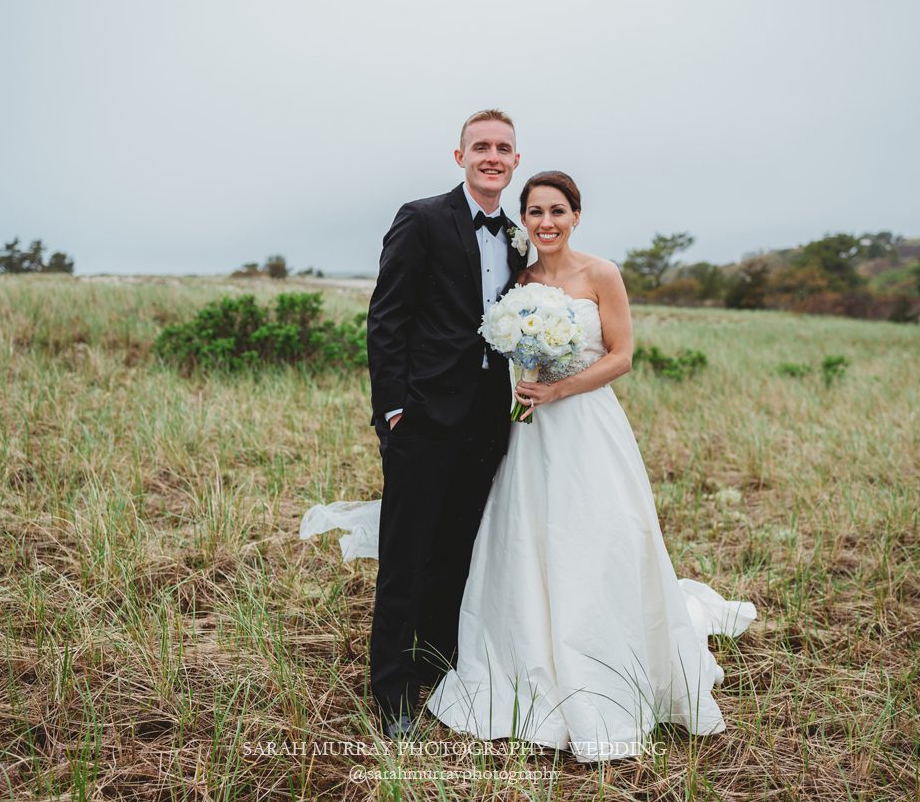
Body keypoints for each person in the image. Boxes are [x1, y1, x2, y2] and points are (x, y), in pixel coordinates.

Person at [301, 169, 756, 761]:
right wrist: (399, 406)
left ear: (575, 217)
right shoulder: (520, 274)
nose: (545, 221)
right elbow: (421, 322)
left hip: (586, 425)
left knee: (600, 536)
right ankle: (479, 666)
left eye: (557, 211)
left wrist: (560, 390)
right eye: (536, 211)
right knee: (519, 539)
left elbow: (622, 356)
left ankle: (606, 656)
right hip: (522, 429)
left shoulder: (602, 274)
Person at [362, 109, 527, 738]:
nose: (492, 156)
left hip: (488, 418)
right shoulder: (422, 217)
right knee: (406, 551)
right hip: (423, 415)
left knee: (458, 546)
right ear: (459, 157)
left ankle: (437, 658)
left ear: (515, 161)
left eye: (503, 148)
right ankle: (392, 687)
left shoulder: (517, 235)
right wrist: (393, 409)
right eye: (480, 146)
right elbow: (388, 317)